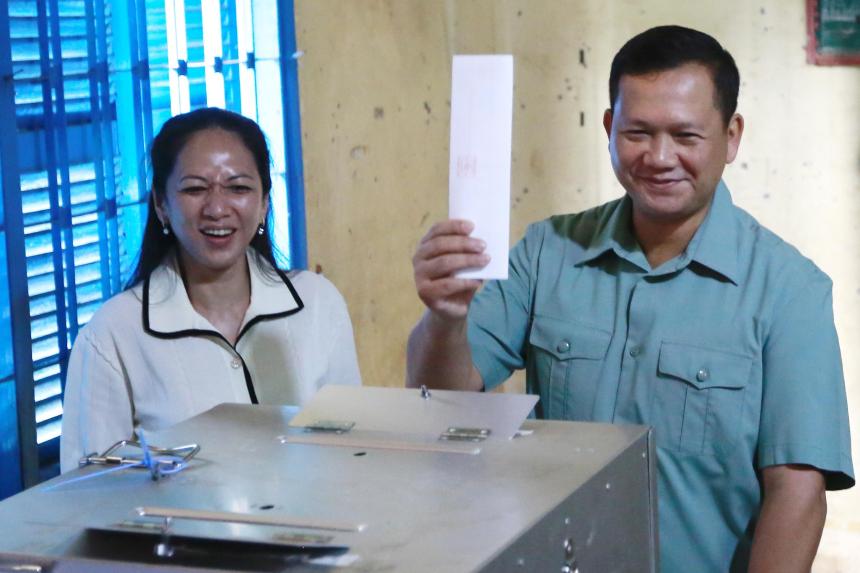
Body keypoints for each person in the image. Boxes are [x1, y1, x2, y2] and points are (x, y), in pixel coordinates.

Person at [407, 26, 853, 572]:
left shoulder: (788, 290)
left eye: (686, 136)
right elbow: (442, 405)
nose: (659, 157)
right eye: (637, 132)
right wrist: (446, 318)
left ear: (732, 137)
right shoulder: (547, 253)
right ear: (609, 127)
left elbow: (798, 492)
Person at [61, 108, 361, 472]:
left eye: (238, 188)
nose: (217, 208)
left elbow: (352, 453)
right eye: (195, 189)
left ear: (264, 202)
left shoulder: (318, 303)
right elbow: (89, 492)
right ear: (161, 205)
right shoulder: (113, 333)